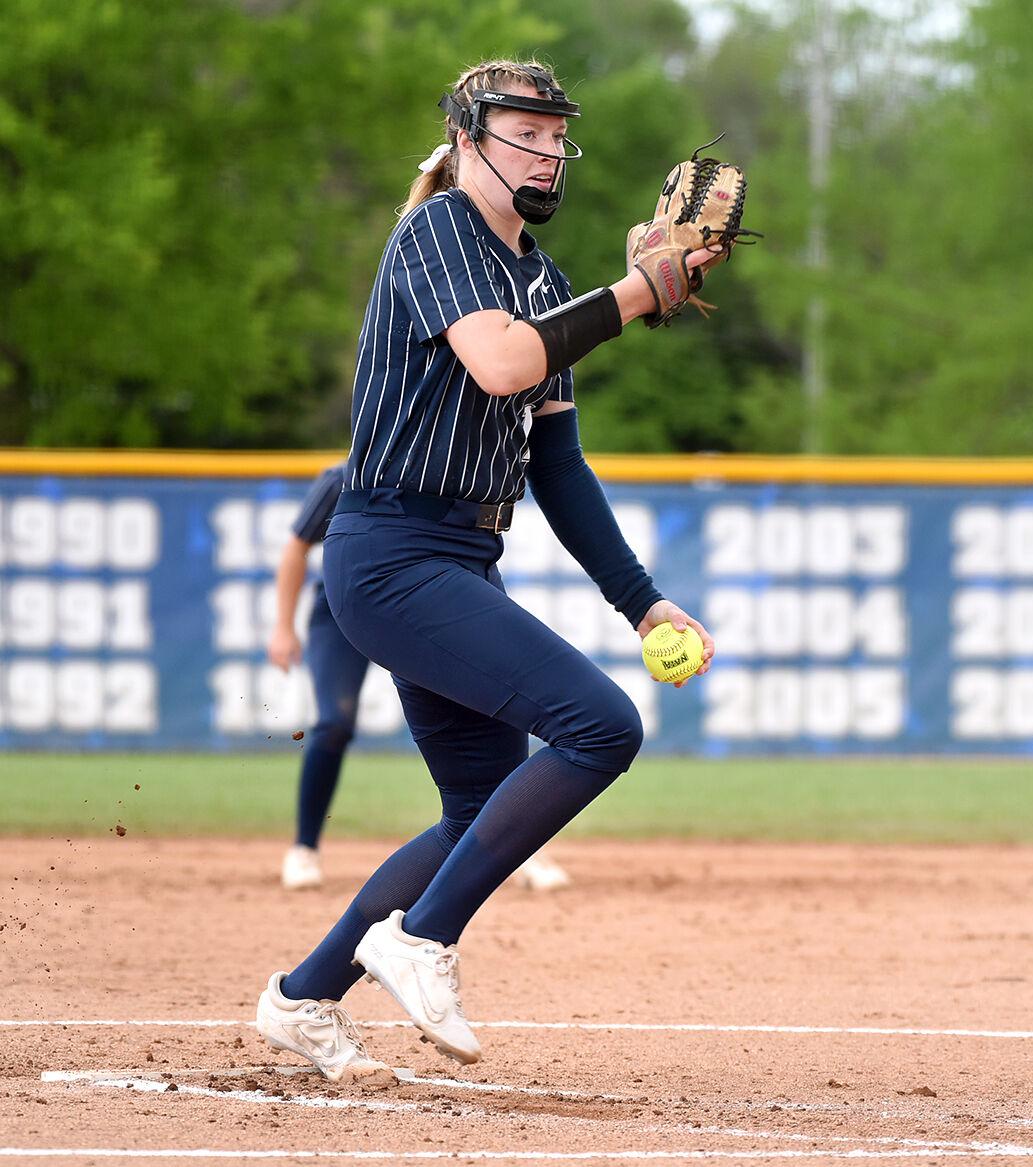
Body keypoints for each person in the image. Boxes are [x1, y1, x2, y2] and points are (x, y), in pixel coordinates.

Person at [255, 59, 717, 1083]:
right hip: (388, 552)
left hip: (460, 554)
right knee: (601, 726)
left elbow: (556, 464)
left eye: (559, 135)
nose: (548, 149)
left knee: (480, 803)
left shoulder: (543, 280)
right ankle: (420, 939)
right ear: (468, 140)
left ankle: (303, 997)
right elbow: (503, 363)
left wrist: (642, 603)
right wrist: (639, 291)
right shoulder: (437, 235)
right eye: (525, 132)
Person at [268, 464, 571, 894]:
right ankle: (303, 849)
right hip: (341, 611)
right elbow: (296, 546)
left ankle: (519, 850)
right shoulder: (345, 475)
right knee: (334, 721)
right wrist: (283, 626)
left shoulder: (446, 475)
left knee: (488, 712)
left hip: (421, 607)